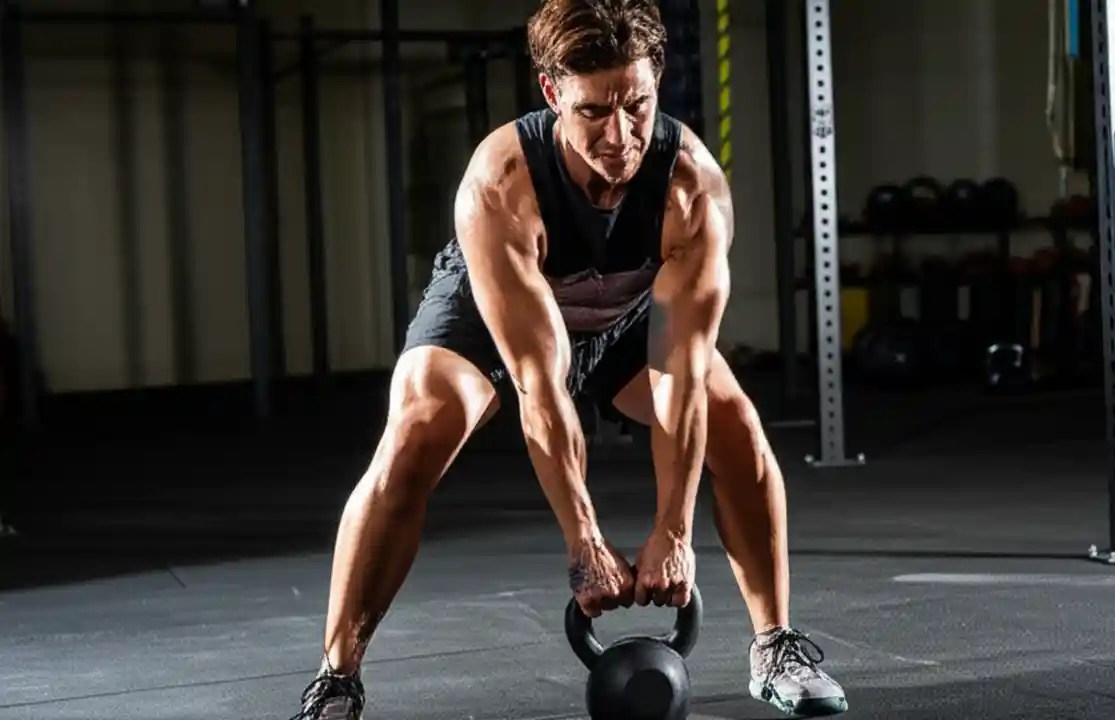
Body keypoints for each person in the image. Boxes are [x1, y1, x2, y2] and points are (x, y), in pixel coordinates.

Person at [290, 1, 846, 717]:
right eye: (593, 113)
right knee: (414, 432)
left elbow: (680, 376)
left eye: (638, 105)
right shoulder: (501, 185)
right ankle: (338, 674)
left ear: (657, 85)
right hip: (495, 323)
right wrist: (584, 541)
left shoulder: (691, 190)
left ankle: (775, 645)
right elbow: (540, 387)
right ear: (553, 94)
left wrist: (672, 533)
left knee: (734, 422)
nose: (621, 135)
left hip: (624, 318)